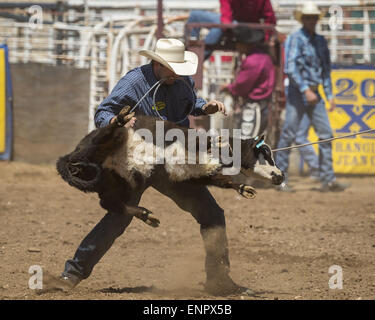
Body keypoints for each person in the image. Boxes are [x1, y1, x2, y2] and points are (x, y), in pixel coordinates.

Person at [44, 38, 252, 296]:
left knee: (212, 214)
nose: (176, 74)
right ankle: (71, 275)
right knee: (118, 218)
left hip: (175, 161)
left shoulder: (181, 81)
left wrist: (204, 108)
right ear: (157, 63)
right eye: (171, 68)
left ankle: (218, 280)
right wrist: (118, 121)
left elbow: (190, 104)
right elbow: (103, 113)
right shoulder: (134, 83)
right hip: (140, 161)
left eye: (178, 69)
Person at [275, 2, 349, 192]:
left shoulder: (320, 41)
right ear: (303, 19)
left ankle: (328, 179)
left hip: (314, 93)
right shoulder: (295, 38)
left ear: (316, 19)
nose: (311, 20)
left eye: (313, 17)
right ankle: (280, 178)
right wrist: (306, 89)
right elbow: (290, 68)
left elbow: (325, 69)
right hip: (299, 93)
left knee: (325, 135)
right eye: (308, 17)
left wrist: (329, 94)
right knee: (289, 134)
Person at [220, 26, 275, 139]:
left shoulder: (252, 61)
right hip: (264, 105)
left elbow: (241, 86)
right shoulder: (264, 57)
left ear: (245, 44)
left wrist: (229, 88)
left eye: (238, 43)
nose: (237, 46)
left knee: (245, 140)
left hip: (254, 107)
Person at [187, 0, 276, 60]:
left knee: (218, 25)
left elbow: (226, 20)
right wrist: (266, 37)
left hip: (243, 29)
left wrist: (266, 37)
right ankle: (194, 48)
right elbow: (270, 18)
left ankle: (196, 57)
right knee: (195, 16)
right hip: (238, 26)